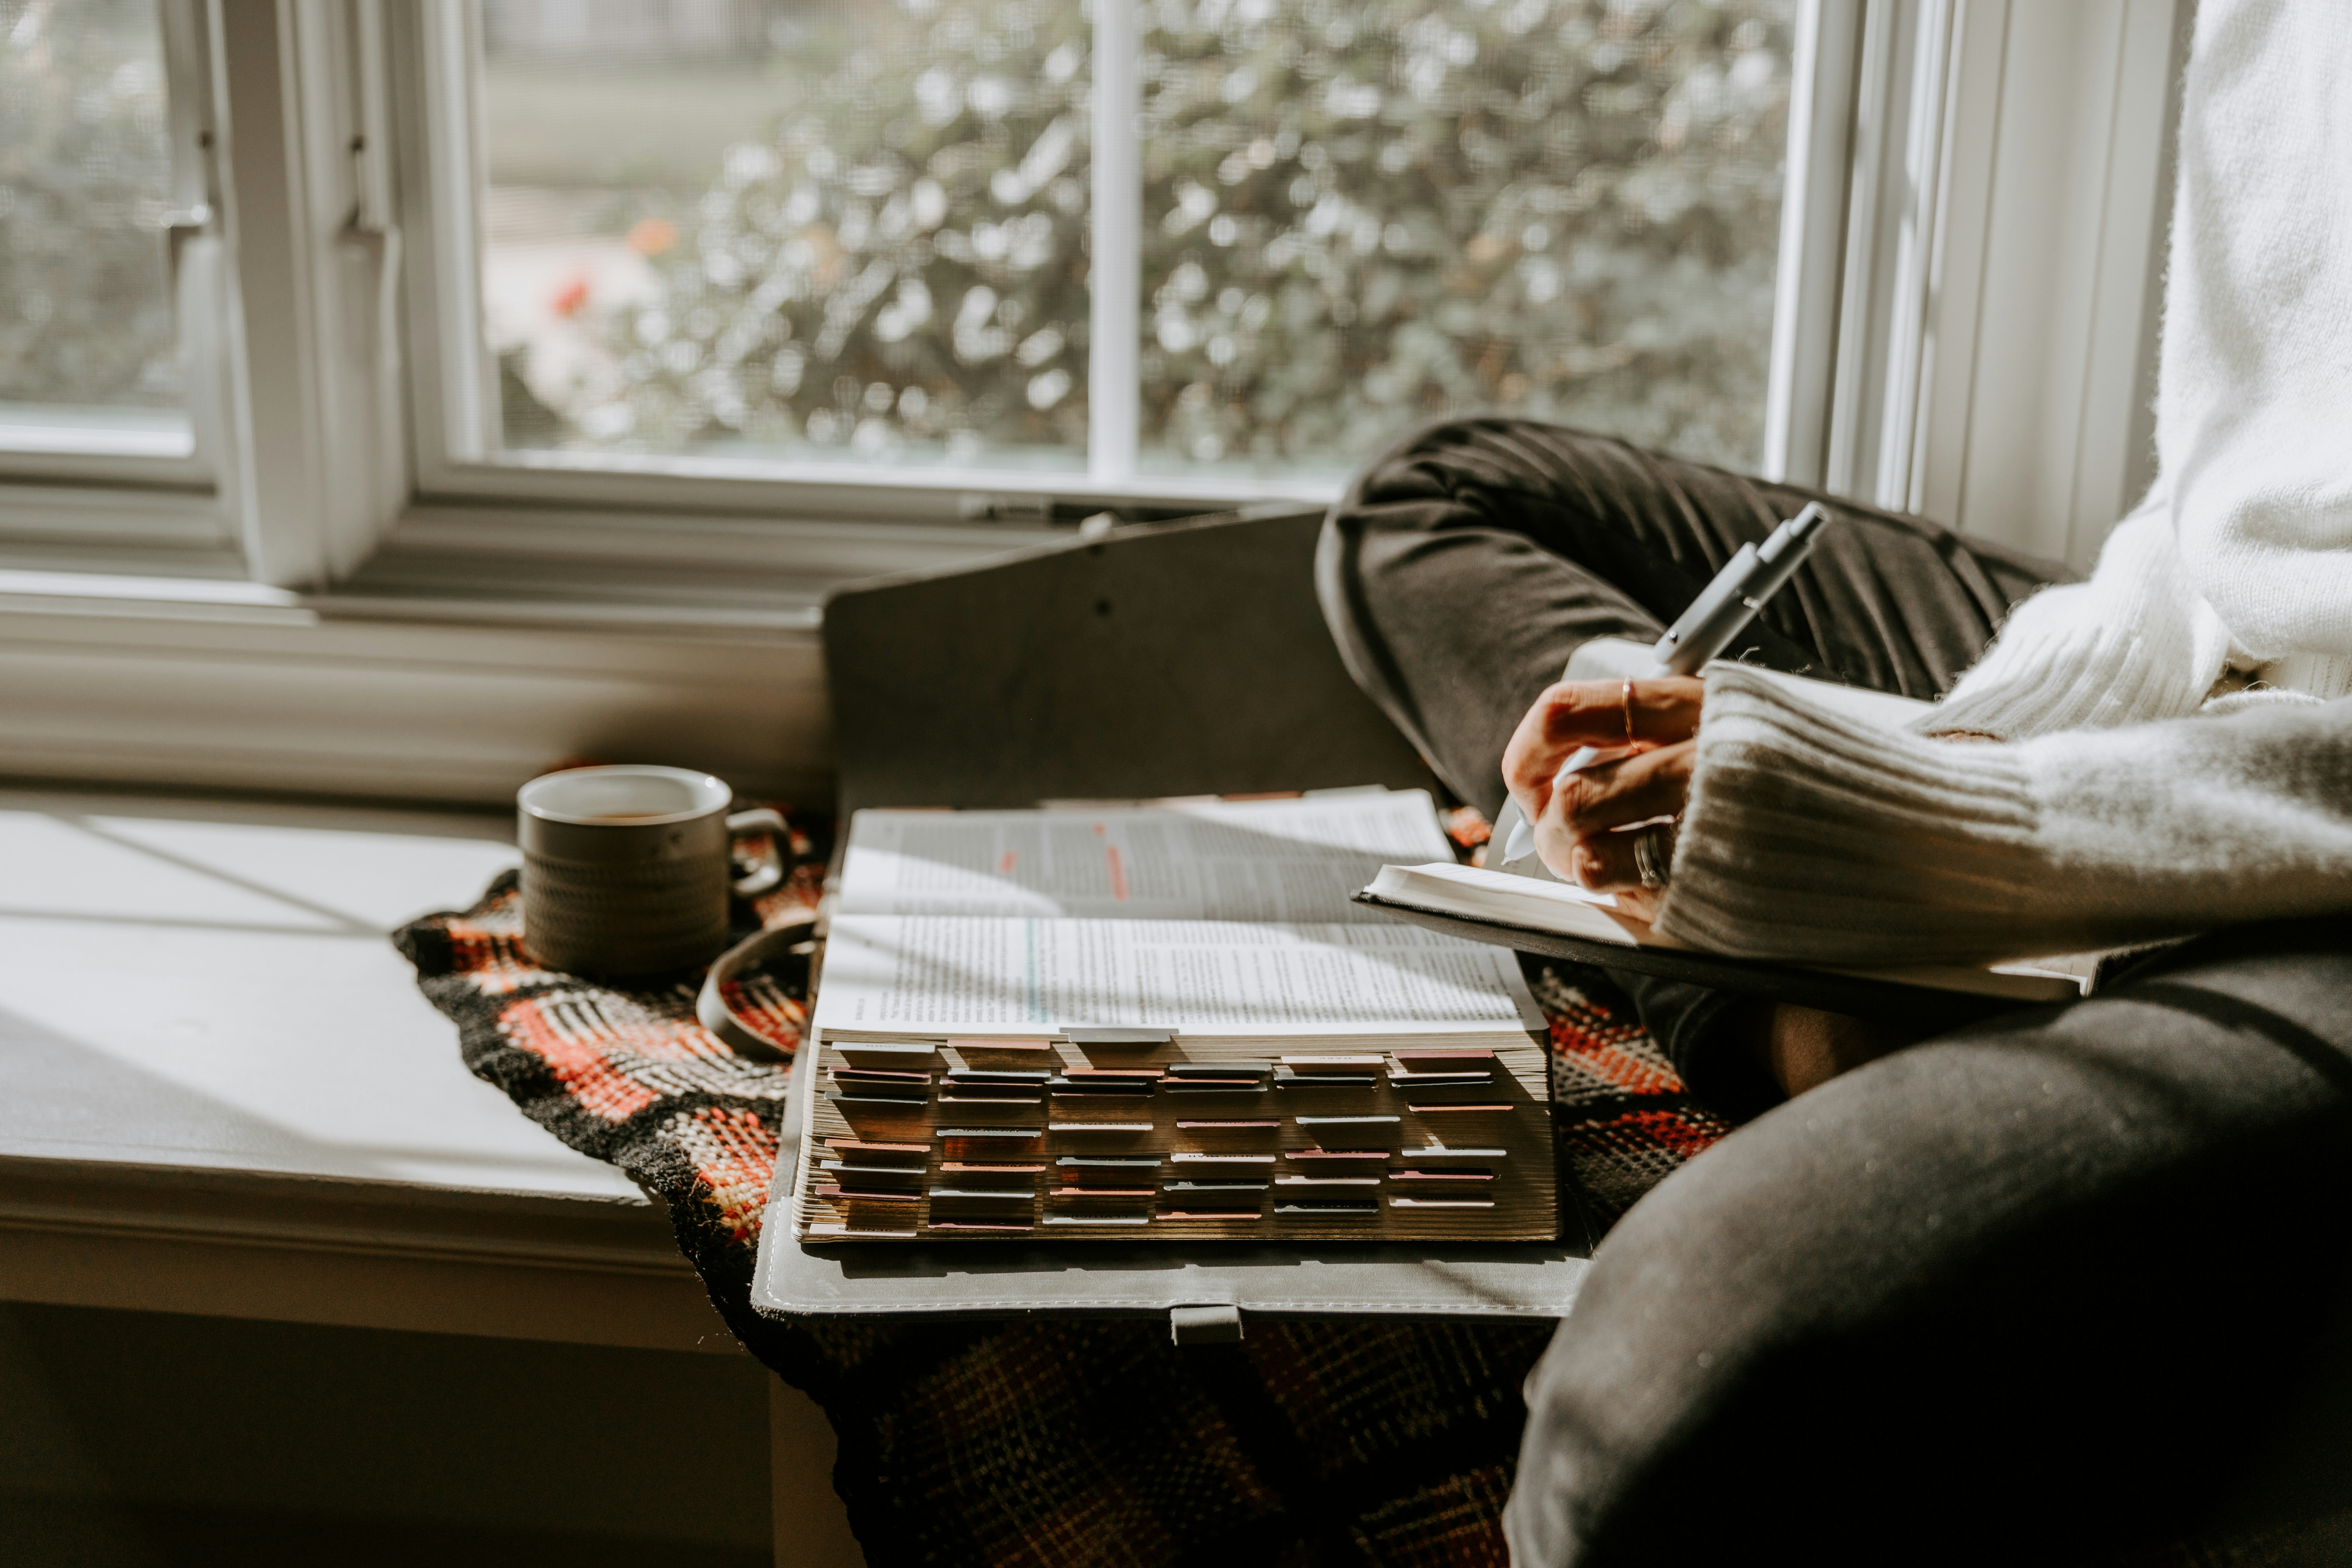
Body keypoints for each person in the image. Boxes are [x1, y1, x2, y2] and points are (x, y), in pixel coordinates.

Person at [1316, 3, 2352, 1562]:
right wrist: (1976, 740)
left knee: (1667, 1384)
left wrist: (1958, 825)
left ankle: (1825, 991)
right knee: (1432, 505)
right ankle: (1807, 966)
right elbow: (2243, 495)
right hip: (2232, 677)